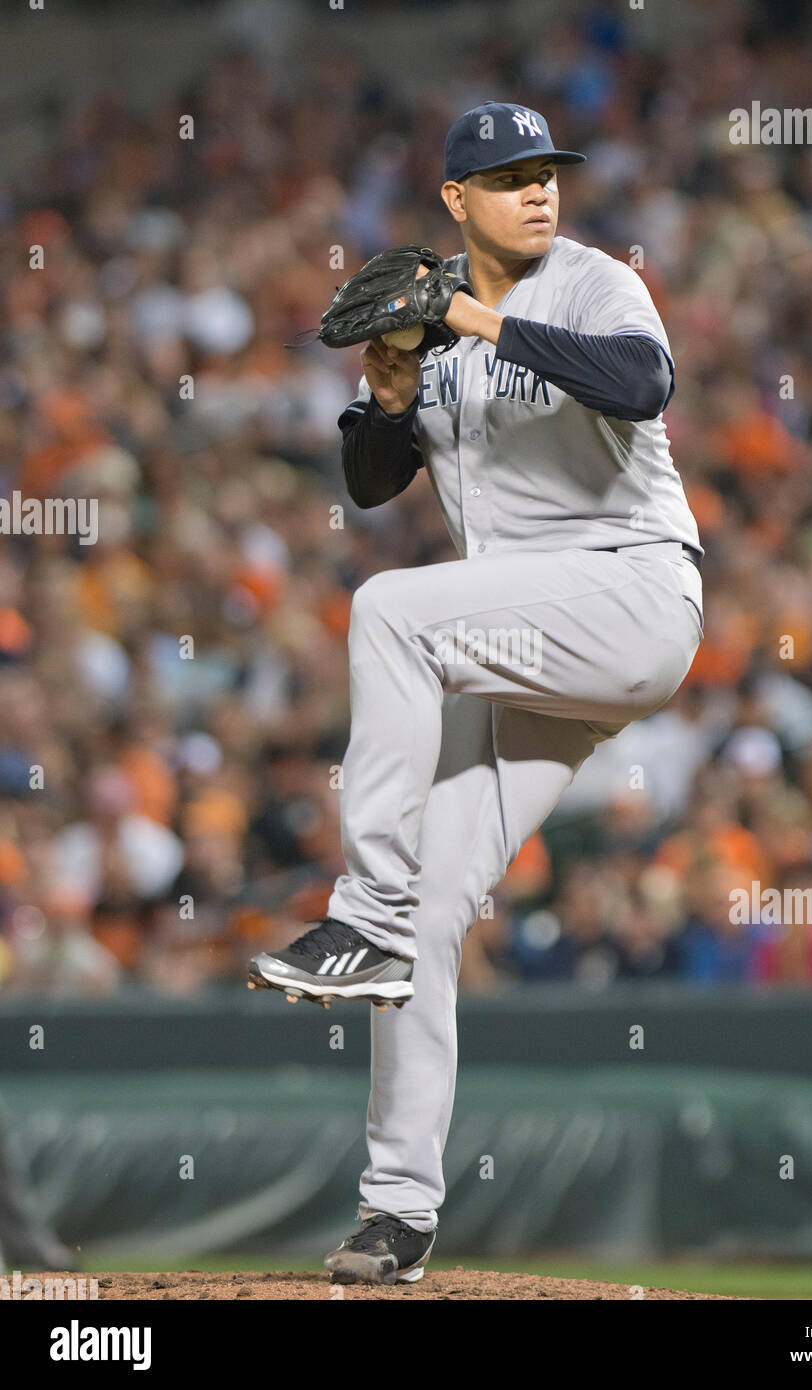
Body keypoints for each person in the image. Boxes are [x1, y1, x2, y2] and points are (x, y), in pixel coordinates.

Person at [248, 101, 703, 1285]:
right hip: (519, 644)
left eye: (545, 170)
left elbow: (642, 384)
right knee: (433, 908)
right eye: (507, 177)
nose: (537, 189)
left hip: (632, 594)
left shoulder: (594, 283)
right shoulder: (430, 325)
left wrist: (467, 318)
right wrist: (395, 395)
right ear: (456, 200)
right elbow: (369, 482)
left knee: (390, 611)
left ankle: (361, 912)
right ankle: (396, 1213)